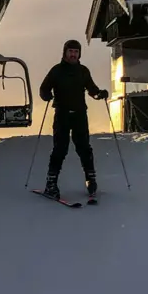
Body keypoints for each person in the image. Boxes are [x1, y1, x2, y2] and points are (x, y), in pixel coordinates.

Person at [38, 39, 109, 198]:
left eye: (76, 52)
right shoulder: (56, 71)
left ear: (79, 54)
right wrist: (45, 95)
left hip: (79, 114)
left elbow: (92, 89)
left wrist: (99, 94)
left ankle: (91, 179)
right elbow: (44, 88)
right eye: (70, 51)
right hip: (62, 114)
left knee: (84, 147)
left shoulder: (83, 71)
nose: (73, 54)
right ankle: (51, 183)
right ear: (65, 53)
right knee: (60, 148)